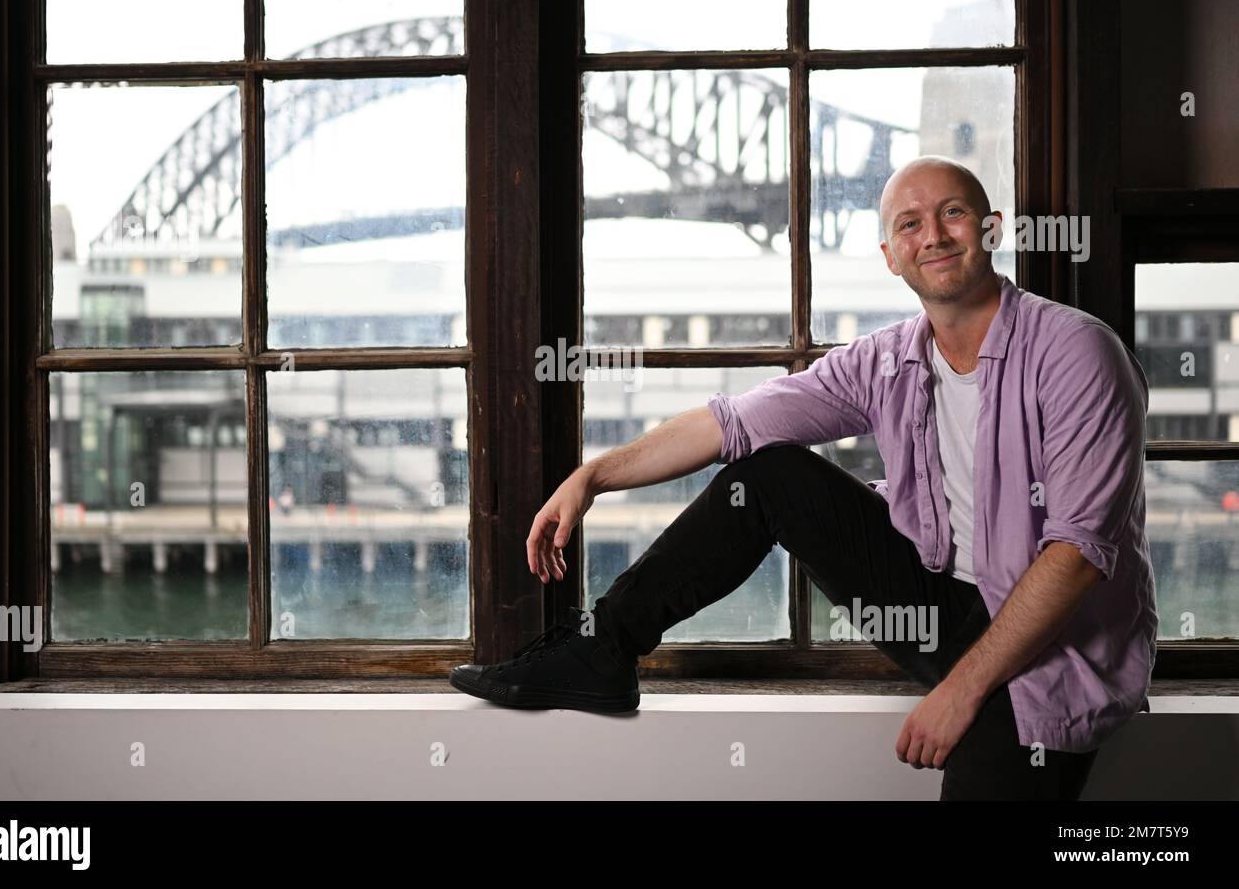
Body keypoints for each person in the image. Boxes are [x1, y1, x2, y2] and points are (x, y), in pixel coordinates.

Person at [450, 155, 1158, 800]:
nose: (934, 236)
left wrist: (960, 692)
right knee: (768, 471)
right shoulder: (886, 359)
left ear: (991, 228)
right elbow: (731, 423)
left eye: (953, 213)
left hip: (1049, 640)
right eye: (910, 224)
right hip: (940, 601)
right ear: (890, 256)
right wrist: (592, 476)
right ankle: (602, 652)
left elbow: (1076, 555)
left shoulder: (1076, 354)